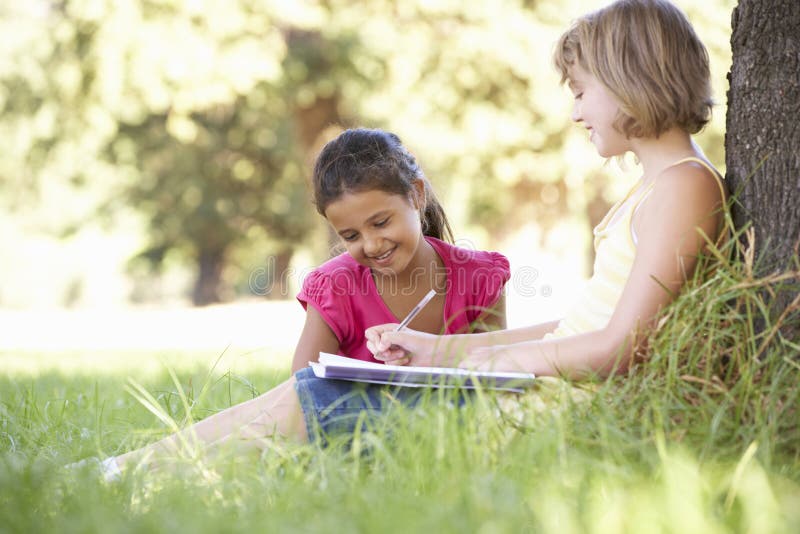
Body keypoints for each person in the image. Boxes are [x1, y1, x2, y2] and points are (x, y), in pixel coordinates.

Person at [79, 128, 510, 479]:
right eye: (351, 236)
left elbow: (503, 375)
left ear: (416, 195)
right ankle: (130, 469)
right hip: (349, 438)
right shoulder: (338, 284)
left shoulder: (479, 278)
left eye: (381, 222)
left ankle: (129, 470)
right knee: (277, 405)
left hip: (444, 431)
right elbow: (302, 392)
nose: (373, 244)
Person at [366, 0, 727, 379]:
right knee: (313, 389)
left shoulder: (684, 185)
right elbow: (577, 330)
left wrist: (478, 366)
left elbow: (622, 348)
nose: (575, 114)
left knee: (316, 399)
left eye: (581, 92)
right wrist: (436, 350)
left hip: (563, 402)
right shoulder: (660, 185)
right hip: (551, 389)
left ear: (627, 81)